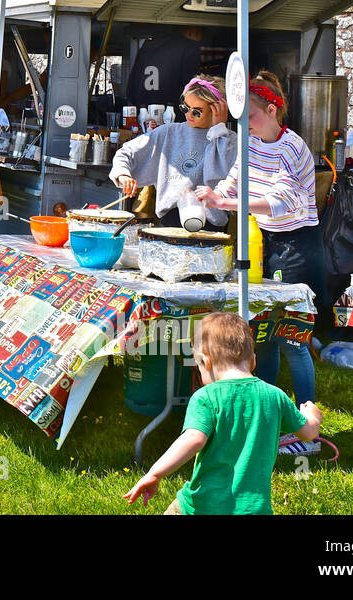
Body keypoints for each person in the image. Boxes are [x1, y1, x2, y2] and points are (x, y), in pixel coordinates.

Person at [195, 70, 323, 451]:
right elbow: (236, 179)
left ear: (271, 109)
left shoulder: (292, 148)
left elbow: (280, 201)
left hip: (300, 245)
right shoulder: (251, 142)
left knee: (294, 340)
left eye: (250, 117)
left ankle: (308, 431)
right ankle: (264, 418)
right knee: (263, 331)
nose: (245, 126)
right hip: (269, 241)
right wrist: (213, 194)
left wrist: (227, 203)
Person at [124, 312, 322, 514]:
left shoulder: (206, 397)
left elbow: (193, 439)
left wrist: (155, 474)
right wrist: (313, 414)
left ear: (204, 361)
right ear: (253, 361)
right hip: (254, 509)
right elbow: (308, 433)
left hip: (201, 506)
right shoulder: (275, 396)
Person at [110, 76, 236, 228]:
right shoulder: (169, 132)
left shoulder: (228, 139)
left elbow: (228, 172)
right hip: (170, 221)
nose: (188, 115)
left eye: (197, 112)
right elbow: (127, 152)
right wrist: (123, 174)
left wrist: (219, 130)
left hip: (212, 225)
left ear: (216, 109)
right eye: (185, 108)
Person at [126, 26, 203, 112]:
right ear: (191, 32)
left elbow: (130, 91)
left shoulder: (145, 48)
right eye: (199, 35)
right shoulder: (190, 47)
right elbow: (191, 88)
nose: (199, 39)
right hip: (173, 116)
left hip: (144, 115)